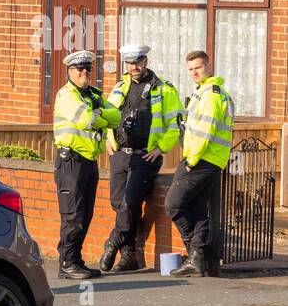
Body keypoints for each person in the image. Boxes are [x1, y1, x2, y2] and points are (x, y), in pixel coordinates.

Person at [98, 44, 183, 272]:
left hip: (145, 156)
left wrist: (162, 148)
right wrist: (108, 137)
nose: (134, 67)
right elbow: (109, 115)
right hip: (120, 155)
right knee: (120, 206)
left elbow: (175, 125)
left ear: (145, 61)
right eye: (129, 63)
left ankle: (112, 243)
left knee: (130, 202)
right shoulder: (119, 86)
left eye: (138, 62)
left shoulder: (163, 89)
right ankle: (129, 257)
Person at [165, 51, 234, 278]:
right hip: (205, 158)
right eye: (191, 69)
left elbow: (204, 132)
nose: (195, 72)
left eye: (198, 67)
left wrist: (191, 161)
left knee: (173, 204)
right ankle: (197, 260)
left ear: (208, 66)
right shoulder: (202, 92)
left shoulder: (211, 95)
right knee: (197, 210)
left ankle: (194, 254)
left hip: (203, 159)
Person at [53, 50, 120, 280]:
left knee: (85, 214)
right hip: (70, 160)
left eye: (87, 68)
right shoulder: (66, 95)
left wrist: (98, 113)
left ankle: (76, 260)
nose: (84, 72)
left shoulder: (93, 94)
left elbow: (116, 117)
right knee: (72, 215)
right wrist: (101, 115)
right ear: (70, 71)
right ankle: (67, 263)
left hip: (89, 161)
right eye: (79, 69)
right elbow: (86, 119)